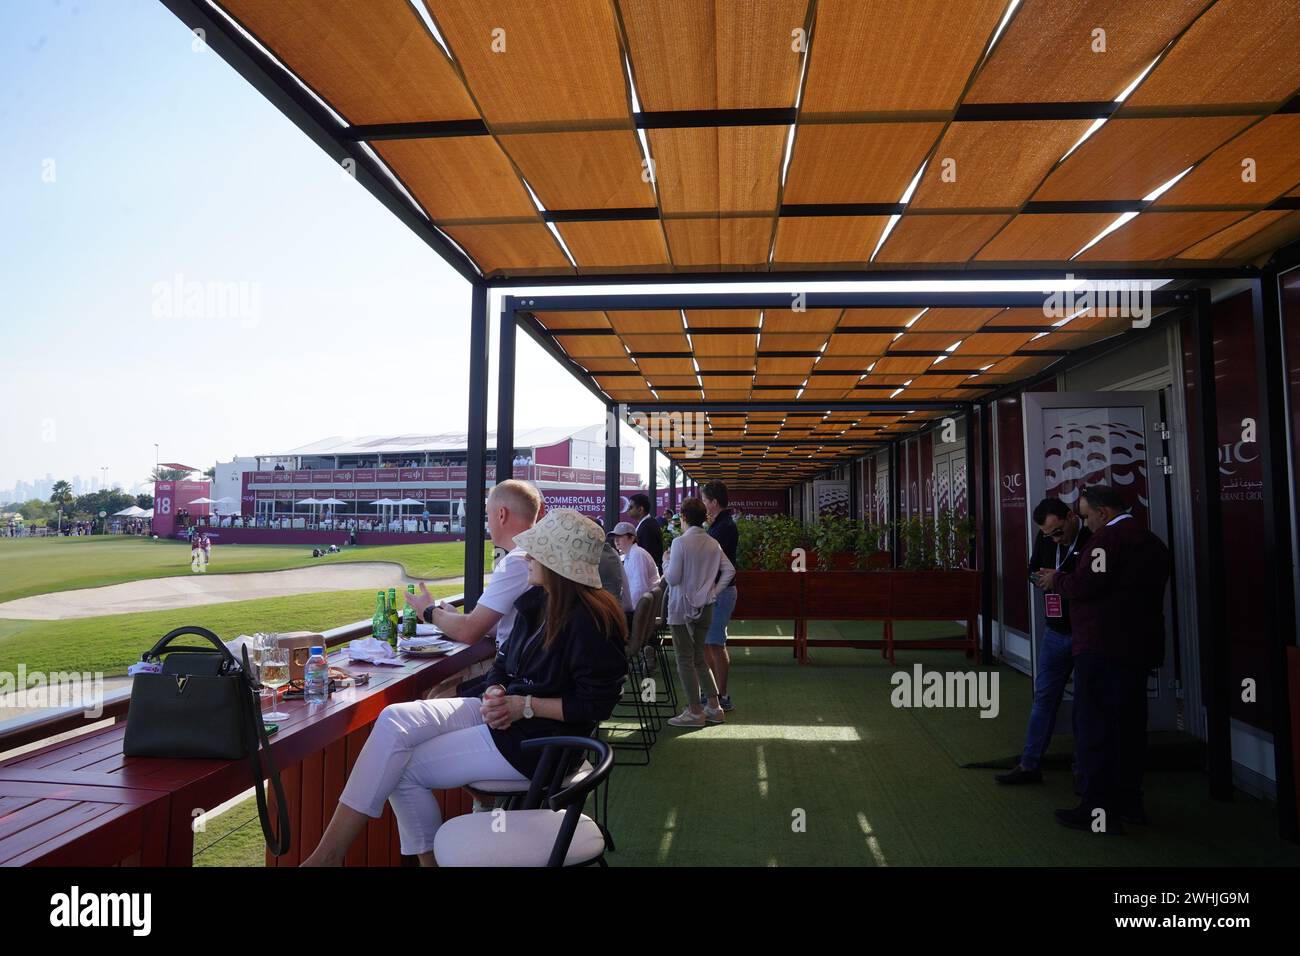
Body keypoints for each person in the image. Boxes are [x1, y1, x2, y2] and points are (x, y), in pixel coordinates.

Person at [302, 508, 628, 866]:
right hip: (510, 718)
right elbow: (505, 664)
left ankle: (341, 858)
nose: (528, 556)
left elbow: (596, 705)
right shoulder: (539, 602)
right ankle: (327, 857)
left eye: (537, 550)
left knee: (401, 767)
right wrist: (496, 690)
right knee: (394, 719)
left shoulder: (589, 621)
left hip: (538, 743)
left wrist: (526, 705)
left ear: (556, 563)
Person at [1034, 485, 1170, 833]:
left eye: (1085, 515)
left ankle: (1098, 811)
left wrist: (1058, 579)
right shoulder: (1152, 541)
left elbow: (1085, 586)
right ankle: (1130, 804)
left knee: (1096, 728)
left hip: (1101, 649)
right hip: (1137, 650)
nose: (1085, 522)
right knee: (1129, 730)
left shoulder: (1107, 540)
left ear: (1103, 513)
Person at [996, 497, 1091, 785]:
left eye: (1058, 532)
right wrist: (1040, 579)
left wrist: (1059, 578)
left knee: (1085, 706)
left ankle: (1083, 773)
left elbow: (1094, 582)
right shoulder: (1046, 537)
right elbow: (1033, 568)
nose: (1054, 539)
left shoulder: (1092, 540)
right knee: (1044, 698)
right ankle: (1030, 765)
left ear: (1072, 517)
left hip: (1086, 633)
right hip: (1055, 631)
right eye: (1048, 535)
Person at [405, 479, 540, 650]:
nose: (488, 523)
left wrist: (428, 611)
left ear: (501, 515)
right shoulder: (535, 555)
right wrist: (453, 618)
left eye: (487, 515)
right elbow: (511, 625)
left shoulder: (517, 561)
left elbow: (470, 632)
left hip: (516, 672)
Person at [663, 497, 734, 728]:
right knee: (699, 659)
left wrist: (665, 562)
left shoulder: (680, 543)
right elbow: (729, 570)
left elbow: (672, 578)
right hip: (706, 607)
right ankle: (714, 707)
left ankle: (695, 711)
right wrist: (713, 590)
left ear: (683, 517)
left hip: (681, 608)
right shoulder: (712, 542)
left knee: (685, 660)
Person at [701, 480, 739, 712]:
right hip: (718, 592)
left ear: (714, 503)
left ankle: (722, 696)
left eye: (705, 500)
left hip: (721, 593)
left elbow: (718, 566)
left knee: (715, 644)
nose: (704, 505)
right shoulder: (721, 525)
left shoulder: (724, 528)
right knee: (710, 644)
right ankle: (713, 694)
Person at [612, 521, 660, 625]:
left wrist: (622, 611)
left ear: (632, 538)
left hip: (638, 614)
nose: (616, 540)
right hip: (640, 611)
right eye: (615, 537)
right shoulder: (631, 555)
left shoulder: (637, 555)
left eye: (620, 536)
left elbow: (639, 590)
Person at [627, 493, 663, 572]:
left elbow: (647, 554)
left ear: (640, 509)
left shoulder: (647, 527)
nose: (628, 510)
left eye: (630, 507)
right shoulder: (647, 523)